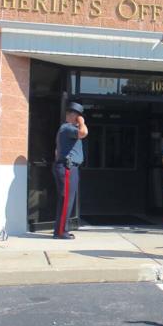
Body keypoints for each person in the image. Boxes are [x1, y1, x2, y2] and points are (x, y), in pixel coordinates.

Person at [53, 102, 88, 239]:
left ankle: (61, 229)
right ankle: (61, 231)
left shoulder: (67, 129)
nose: (79, 118)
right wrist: (82, 122)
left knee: (67, 199)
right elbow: (84, 132)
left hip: (68, 167)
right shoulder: (67, 127)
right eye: (77, 115)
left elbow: (56, 151)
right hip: (67, 167)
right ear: (72, 116)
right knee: (67, 199)